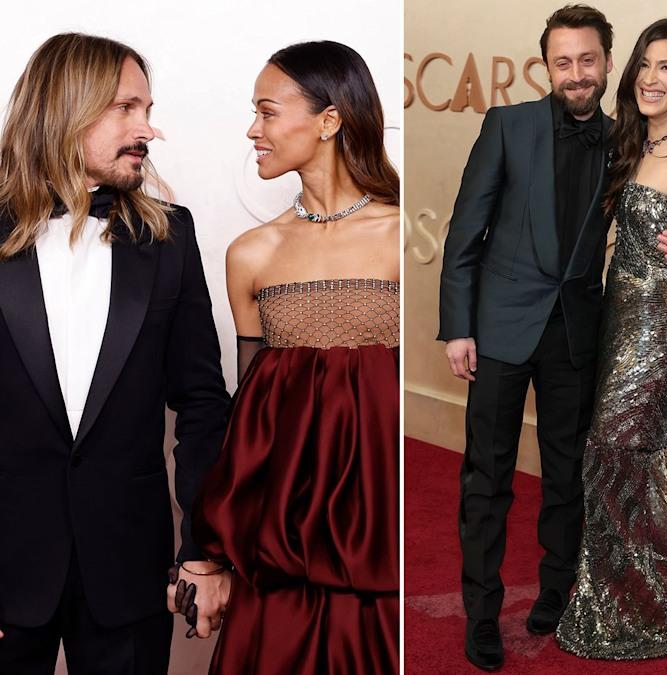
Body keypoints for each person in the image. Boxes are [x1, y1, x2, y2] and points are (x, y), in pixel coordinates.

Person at [438, 4, 667, 671]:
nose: (577, 74)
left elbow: (660, 221)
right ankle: (481, 614)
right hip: (497, 328)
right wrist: (457, 327)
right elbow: (465, 232)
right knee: (487, 478)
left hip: (578, 332)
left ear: (607, 62)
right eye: (564, 62)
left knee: (566, 477)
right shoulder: (508, 125)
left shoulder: (627, 141)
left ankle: (555, 592)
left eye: (588, 60)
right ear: (546, 65)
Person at [0, 33, 230, 674]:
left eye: (148, 109)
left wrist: (203, 551)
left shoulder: (170, 235)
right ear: (65, 109)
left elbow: (203, 403)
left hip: (130, 571)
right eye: (126, 109)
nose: (148, 129)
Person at [187, 41, 400, 674]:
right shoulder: (250, 254)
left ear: (330, 121)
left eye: (268, 112)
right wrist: (213, 553)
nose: (254, 130)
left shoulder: (404, 238)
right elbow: (248, 417)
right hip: (279, 550)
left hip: (383, 540)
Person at [553, 17, 667, 659]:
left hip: (658, 325)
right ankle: (623, 600)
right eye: (645, 66)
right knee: (621, 465)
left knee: (613, 454)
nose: (651, 79)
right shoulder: (630, 146)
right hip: (616, 318)